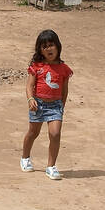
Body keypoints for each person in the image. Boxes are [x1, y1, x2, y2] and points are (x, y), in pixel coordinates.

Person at [21, 29, 72, 181]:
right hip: (38, 104)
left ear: (57, 46)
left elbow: (64, 90)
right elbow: (29, 86)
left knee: (55, 134)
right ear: (40, 50)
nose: (49, 49)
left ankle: (51, 166)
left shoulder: (64, 69)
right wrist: (31, 100)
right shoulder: (36, 67)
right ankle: (25, 157)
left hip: (55, 106)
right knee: (33, 133)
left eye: (51, 45)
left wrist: (61, 106)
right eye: (45, 46)